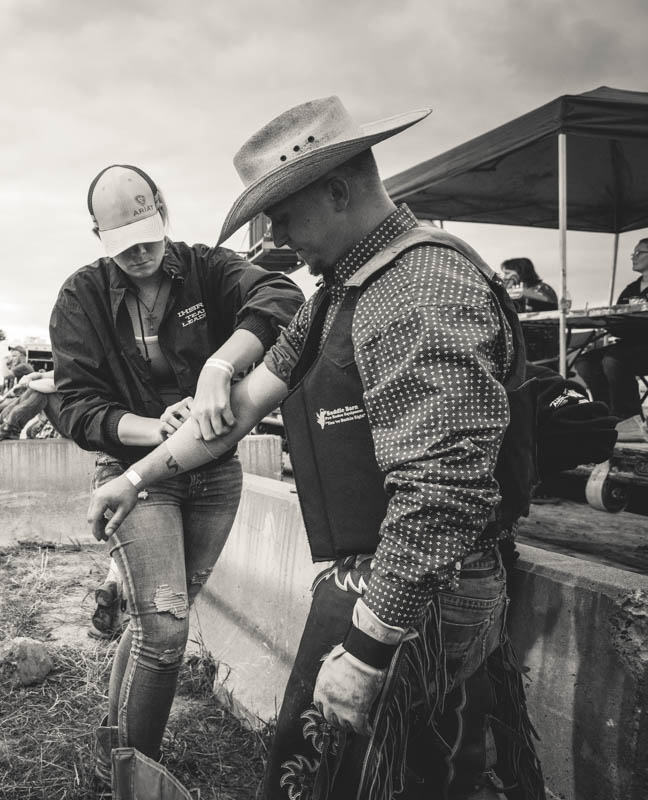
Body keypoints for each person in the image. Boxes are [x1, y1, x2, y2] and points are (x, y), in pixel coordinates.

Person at [87, 98, 544, 800]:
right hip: (378, 583)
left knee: (421, 772)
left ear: (337, 191)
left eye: (284, 216)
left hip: (420, 596)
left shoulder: (418, 292)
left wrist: (366, 650)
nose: (277, 238)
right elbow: (239, 412)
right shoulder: (340, 291)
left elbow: (442, 495)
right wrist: (138, 477)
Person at [51, 163, 304, 792]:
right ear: (97, 234)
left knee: (153, 620)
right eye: (122, 242)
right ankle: (137, 779)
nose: (138, 253)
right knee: (166, 630)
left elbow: (282, 297)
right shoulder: (81, 296)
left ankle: (118, 748)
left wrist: (221, 362)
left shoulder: (206, 268)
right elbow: (73, 403)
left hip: (215, 475)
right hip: (137, 471)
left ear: (162, 209)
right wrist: (152, 426)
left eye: (146, 234)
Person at [573, 237, 648, 442]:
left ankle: (628, 418)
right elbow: (617, 316)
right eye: (633, 253)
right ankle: (605, 414)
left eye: (639, 252)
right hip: (627, 344)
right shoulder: (631, 288)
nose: (633, 257)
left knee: (613, 360)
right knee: (585, 361)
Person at [0, 369, 58, 441]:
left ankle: (10, 428)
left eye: (14, 355)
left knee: (42, 392)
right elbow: (43, 375)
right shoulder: (67, 367)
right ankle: (3, 424)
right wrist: (29, 377)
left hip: (69, 424)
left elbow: (55, 385)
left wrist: (29, 383)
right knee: (37, 387)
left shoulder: (23, 366)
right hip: (62, 417)